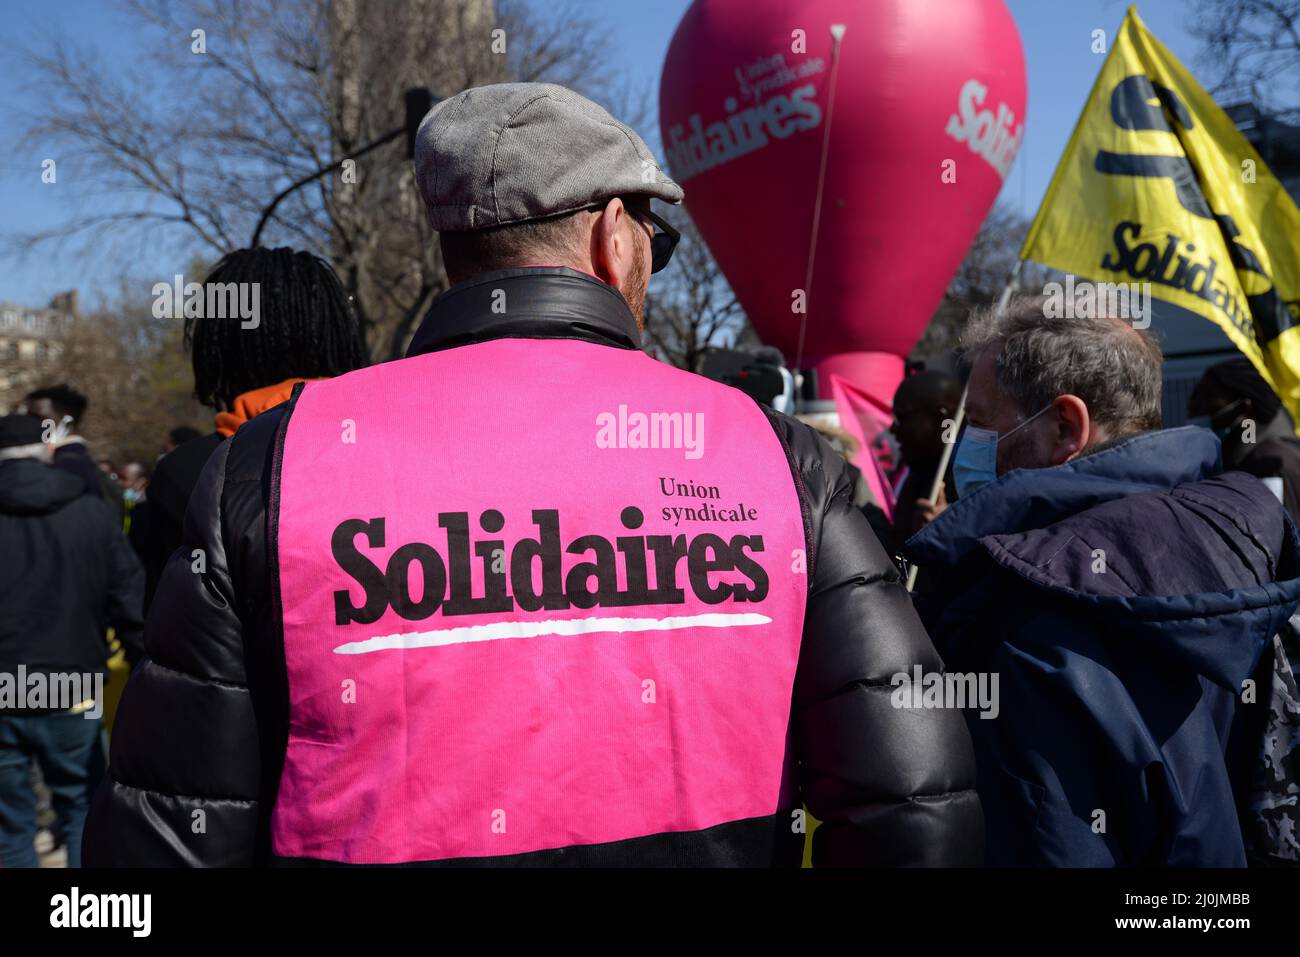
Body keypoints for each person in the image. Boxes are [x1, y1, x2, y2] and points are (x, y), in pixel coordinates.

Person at [85, 82, 981, 868]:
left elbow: (170, 827)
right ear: (612, 235)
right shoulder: (776, 458)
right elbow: (913, 802)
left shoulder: (271, 463)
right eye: (655, 242)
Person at [902, 296, 1300, 866]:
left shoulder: (1027, 622)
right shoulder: (1241, 540)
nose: (964, 445)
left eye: (982, 424)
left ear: (1066, 427)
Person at [134, 247, 369, 609]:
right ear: (338, 331)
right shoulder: (396, 444)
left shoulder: (188, 474)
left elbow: (170, 627)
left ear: (218, 345)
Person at [0, 415, 145, 867]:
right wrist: (144, 664)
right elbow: (128, 598)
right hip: (71, 682)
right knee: (83, 810)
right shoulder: (90, 513)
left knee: (10, 827)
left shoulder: (87, 510)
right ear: (47, 452)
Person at [1188, 357, 1300, 527]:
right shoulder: (1244, 455)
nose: (1194, 407)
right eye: (1196, 395)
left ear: (1243, 409)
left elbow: (1276, 534)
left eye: (1208, 398)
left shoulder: (1268, 463)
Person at [21, 385, 122, 522]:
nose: (29, 425)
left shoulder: (69, 467)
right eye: (27, 419)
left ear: (67, 424)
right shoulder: (77, 463)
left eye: (40, 419)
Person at [889, 369, 962, 551]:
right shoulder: (916, 478)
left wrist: (952, 529)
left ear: (941, 419)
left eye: (902, 418)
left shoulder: (971, 482)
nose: (893, 430)